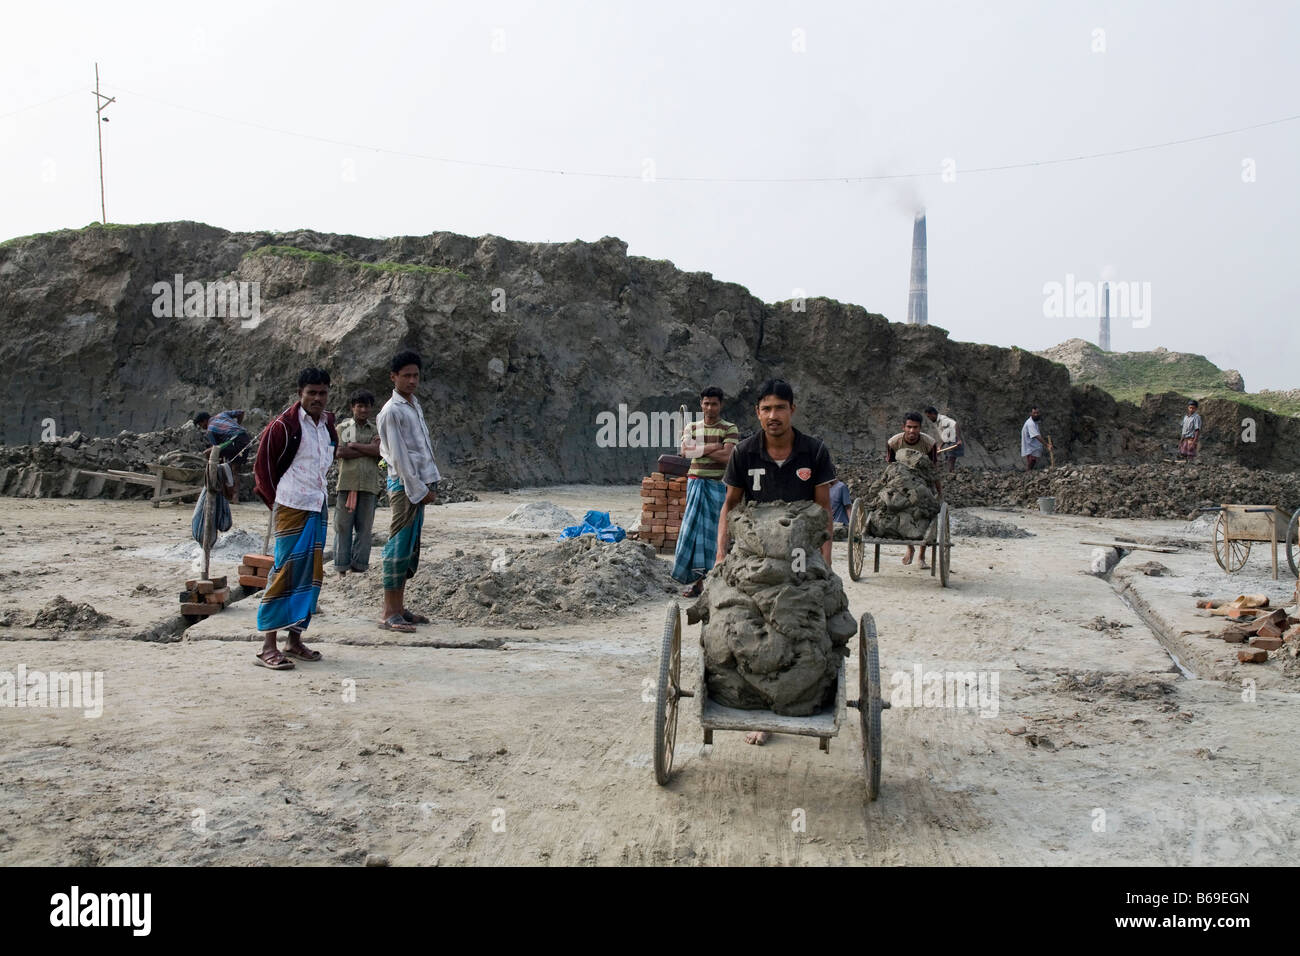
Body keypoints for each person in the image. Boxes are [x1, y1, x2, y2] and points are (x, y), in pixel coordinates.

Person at [717, 379, 836, 745]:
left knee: (795, 614)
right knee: (739, 618)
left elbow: (823, 511)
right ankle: (758, 700)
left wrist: (825, 564)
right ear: (757, 412)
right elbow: (731, 506)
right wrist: (721, 555)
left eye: (780, 408)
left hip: (799, 550)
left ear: (792, 410)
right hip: (753, 551)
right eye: (766, 408)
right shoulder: (745, 453)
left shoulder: (814, 452)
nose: (773, 415)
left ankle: (792, 695)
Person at [250, 369, 338, 670]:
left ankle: (295, 639)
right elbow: (262, 470)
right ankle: (268, 646)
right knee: (285, 572)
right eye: (311, 392)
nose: (317, 398)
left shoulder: (328, 426)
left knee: (311, 575)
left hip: (318, 505)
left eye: (322, 392)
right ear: (300, 392)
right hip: (290, 506)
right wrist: (276, 503)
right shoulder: (283, 426)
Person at [376, 350, 441, 633]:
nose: (412, 380)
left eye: (416, 375)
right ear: (394, 377)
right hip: (405, 487)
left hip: (419, 485)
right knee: (398, 546)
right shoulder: (391, 411)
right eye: (407, 376)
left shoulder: (413, 405)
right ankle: (389, 611)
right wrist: (418, 489)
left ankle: (400, 608)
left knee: (410, 547)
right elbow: (399, 457)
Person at [672, 386, 739, 597]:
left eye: (714, 404)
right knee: (692, 535)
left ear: (721, 405)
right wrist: (713, 447)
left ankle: (713, 582)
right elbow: (685, 452)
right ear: (701, 404)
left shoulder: (730, 428)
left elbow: (728, 457)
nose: (710, 407)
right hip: (695, 484)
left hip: (717, 486)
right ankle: (697, 583)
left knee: (714, 536)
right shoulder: (692, 427)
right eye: (706, 403)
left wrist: (699, 450)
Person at [333, 390, 382, 576]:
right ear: (352, 407)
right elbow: (340, 453)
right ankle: (341, 566)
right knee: (343, 526)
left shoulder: (376, 430)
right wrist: (368, 449)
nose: (363, 410)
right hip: (347, 483)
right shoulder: (344, 428)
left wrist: (355, 446)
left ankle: (359, 566)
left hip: (369, 485)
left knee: (365, 528)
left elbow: (380, 451)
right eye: (359, 406)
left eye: (366, 406)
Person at [887, 412, 941, 568]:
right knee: (898, 510)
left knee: (926, 513)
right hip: (901, 482)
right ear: (903, 427)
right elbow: (891, 468)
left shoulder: (929, 444)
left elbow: (933, 470)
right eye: (909, 427)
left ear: (920, 428)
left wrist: (939, 492)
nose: (912, 431)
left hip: (923, 481)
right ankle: (909, 548)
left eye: (915, 427)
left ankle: (922, 556)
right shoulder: (894, 443)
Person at [924, 405, 963, 473]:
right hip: (949, 441)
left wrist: (959, 439)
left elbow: (955, 424)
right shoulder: (938, 422)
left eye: (928, 416)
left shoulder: (943, 419)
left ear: (933, 414)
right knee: (948, 457)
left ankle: (951, 474)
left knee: (950, 458)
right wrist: (939, 447)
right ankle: (950, 473)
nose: (929, 418)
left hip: (954, 440)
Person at [1021, 406, 1045, 471]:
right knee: (1032, 459)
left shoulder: (1035, 421)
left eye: (1037, 413)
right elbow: (1036, 435)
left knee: (1033, 459)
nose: (1036, 414)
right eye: (1034, 413)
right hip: (1030, 444)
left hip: (1032, 444)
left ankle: (1029, 472)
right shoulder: (1030, 423)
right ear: (1030, 413)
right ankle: (1028, 472)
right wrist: (1047, 445)